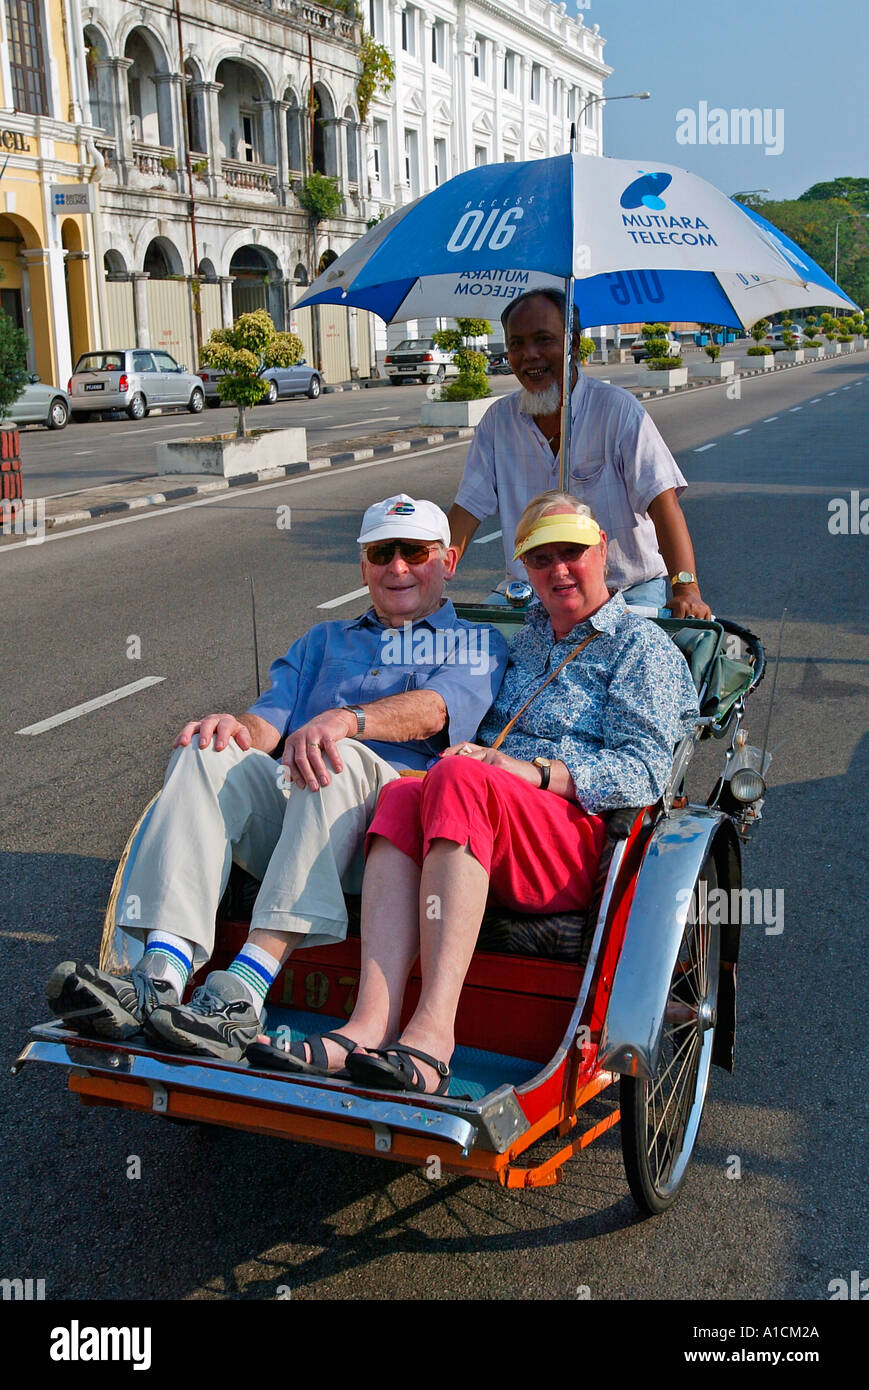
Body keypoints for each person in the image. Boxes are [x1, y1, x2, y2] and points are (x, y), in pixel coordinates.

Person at [253, 491, 700, 1091]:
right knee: (404, 793)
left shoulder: (643, 649)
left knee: (458, 777)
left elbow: (643, 773)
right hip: (492, 820)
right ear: (524, 571)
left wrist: (532, 771)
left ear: (603, 554)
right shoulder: (530, 640)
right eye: (542, 560)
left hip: (574, 836)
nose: (559, 570)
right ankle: (369, 1023)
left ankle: (434, 1035)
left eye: (573, 553)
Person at [47, 494, 508, 1062]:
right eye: (382, 552)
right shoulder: (322, 641)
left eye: (415, 552)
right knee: (203, 751)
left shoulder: (478, 643)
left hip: (389, 843)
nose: (398, 567)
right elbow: (266, 723)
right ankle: (159, 976)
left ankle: (244, 990)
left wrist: (346, 721)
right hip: (296, 819)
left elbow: (437, 710)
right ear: (364, 566)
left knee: (335, 755)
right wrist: (230, 726)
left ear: (449, 562)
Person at [447, 288, 711, 620]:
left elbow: (662, 501)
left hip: (625, 591)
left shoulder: (617, 410)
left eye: (543, 340)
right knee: (470, 654)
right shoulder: (497, 421)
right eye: (517, 344)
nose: (529, 355)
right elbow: (467, 508)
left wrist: (686, 589)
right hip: (533, 594)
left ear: (572, 344)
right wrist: (429, 575)